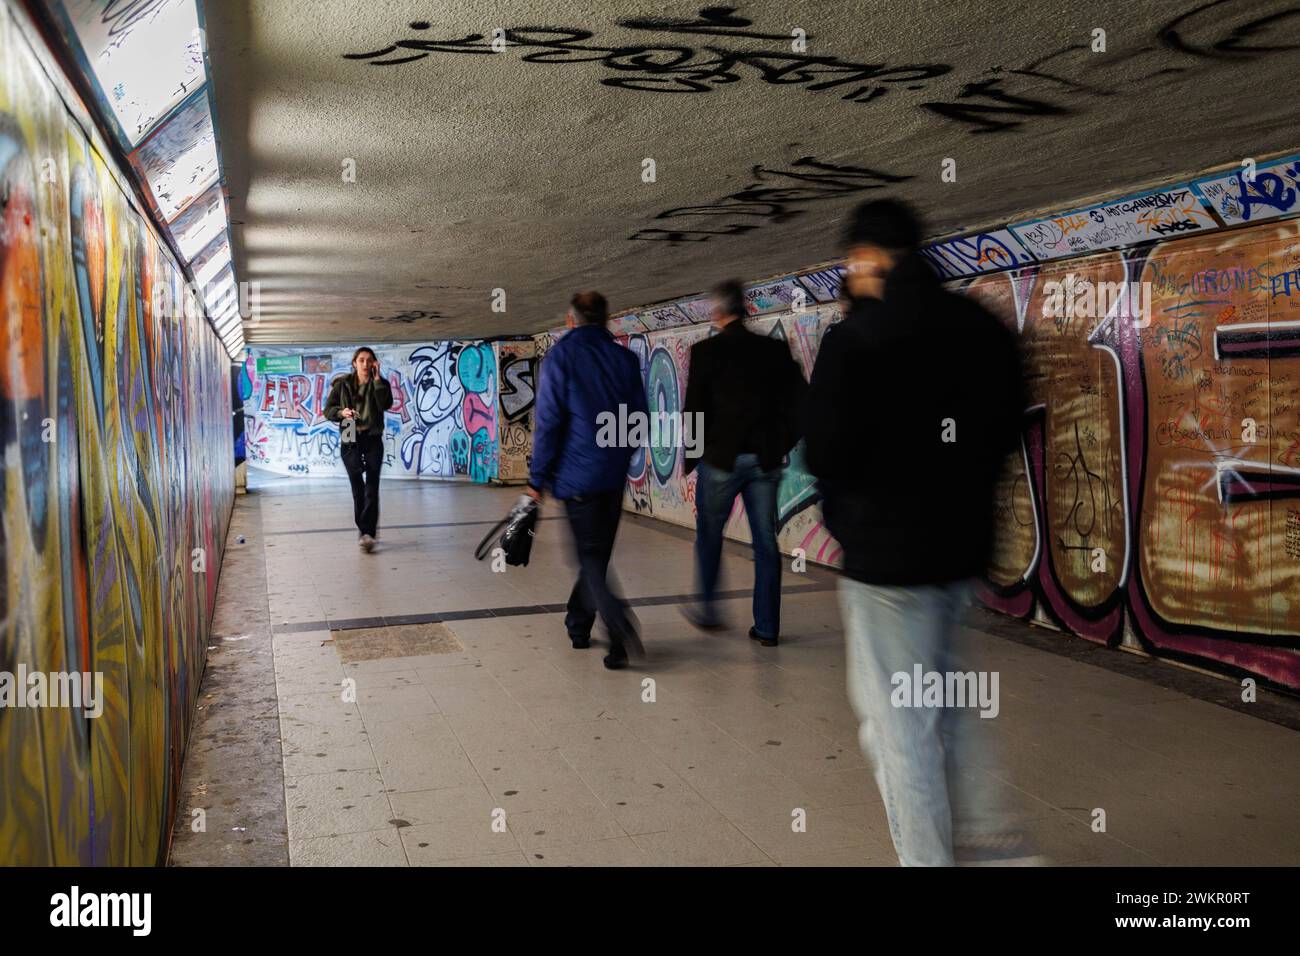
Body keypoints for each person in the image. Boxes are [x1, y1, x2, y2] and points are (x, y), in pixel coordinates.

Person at [803, 199, 1029, 866]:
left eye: (851, 260)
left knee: (899, 733)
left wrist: (855, 510)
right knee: (951, 708)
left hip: (887, 567)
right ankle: (998, 849)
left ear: (867, 258)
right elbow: (1007, 427)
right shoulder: (980, 325)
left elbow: (826, 453)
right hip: (960, 555)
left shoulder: (858, 339)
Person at [680, 279, 807, 646]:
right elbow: (801, 402)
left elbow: (695, 411)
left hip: (720, 460)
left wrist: (692, 458)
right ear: (746, 308)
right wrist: (780, 443)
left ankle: (707, 609)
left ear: (717, 312)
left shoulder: (705, 352)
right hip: (765, 462)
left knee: (709, 534)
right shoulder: (774, 351)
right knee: (766, 544)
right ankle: (767, 627)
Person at [527, 292, 649, 670]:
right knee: (593, 556)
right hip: (612, 477)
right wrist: (619, 457)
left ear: (570, 320)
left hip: (577, 478)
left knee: (589, 558)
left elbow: (548, 424)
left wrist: (538, 480)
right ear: (606, 319)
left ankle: (620, 626)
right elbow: (639, 417)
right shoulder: (625, 358)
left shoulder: (560, 357)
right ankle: (577, 623)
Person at [324, 347, 394, 552]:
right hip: (350, 437)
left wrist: (379, 381)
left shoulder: (381, 384)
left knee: (372, 486)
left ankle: (367, 534)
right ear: (354, 363)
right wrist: (341, 412)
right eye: (361, 360)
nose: (365, 364)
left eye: (369, 360)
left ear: (374, 364)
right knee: (357, 486)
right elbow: (327, 410)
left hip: (372, 438)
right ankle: (364, 529)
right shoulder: (343, 384)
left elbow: (386, 404)